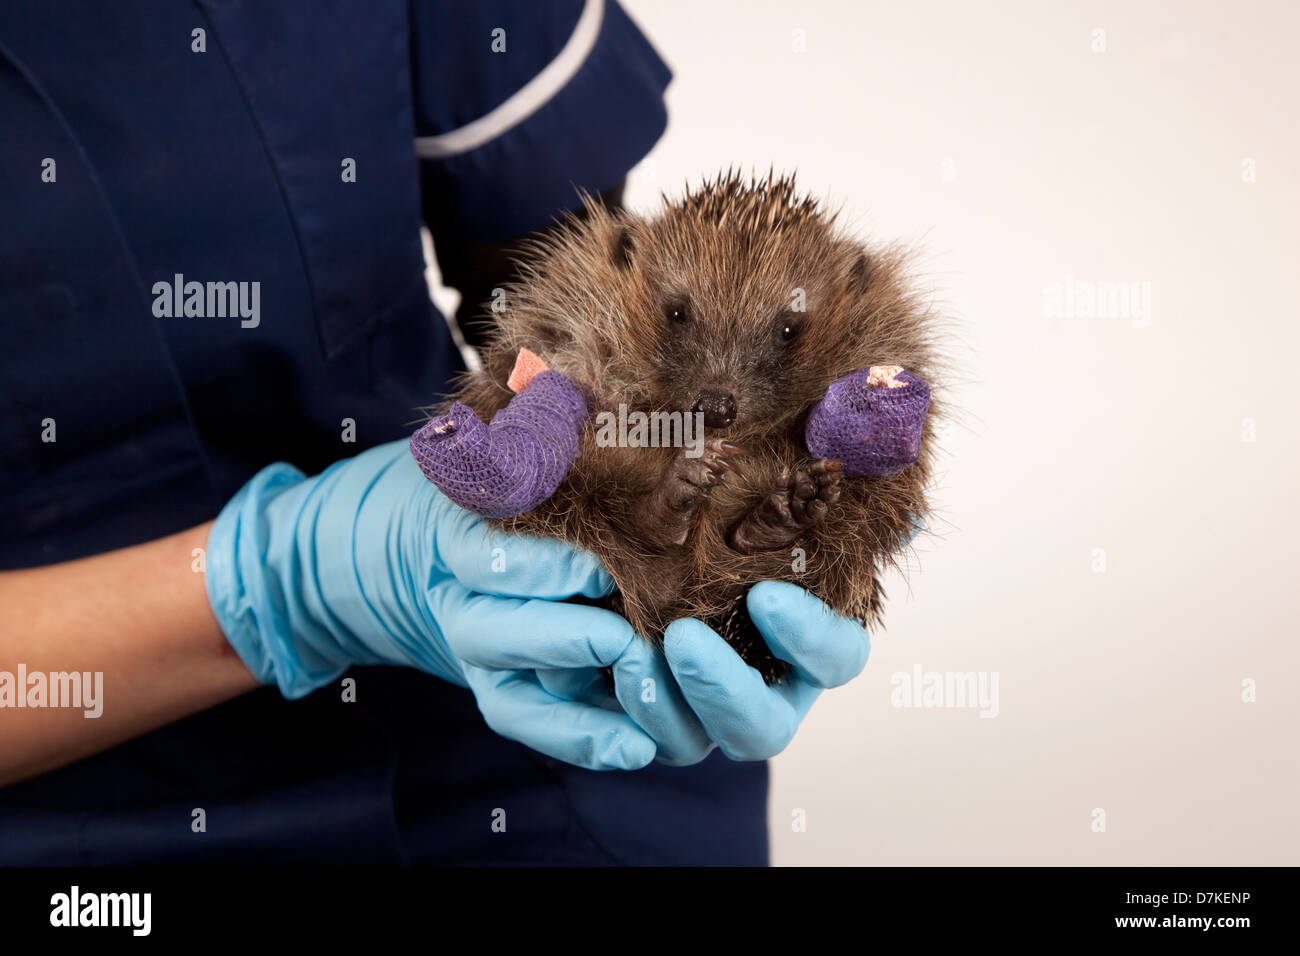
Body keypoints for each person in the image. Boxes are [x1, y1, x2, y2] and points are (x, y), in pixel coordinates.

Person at [0, 0, 873, 865]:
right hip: (88, 819)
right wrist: (283, 584)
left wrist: (734, 439)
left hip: (524, 700)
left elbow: (566, 265)